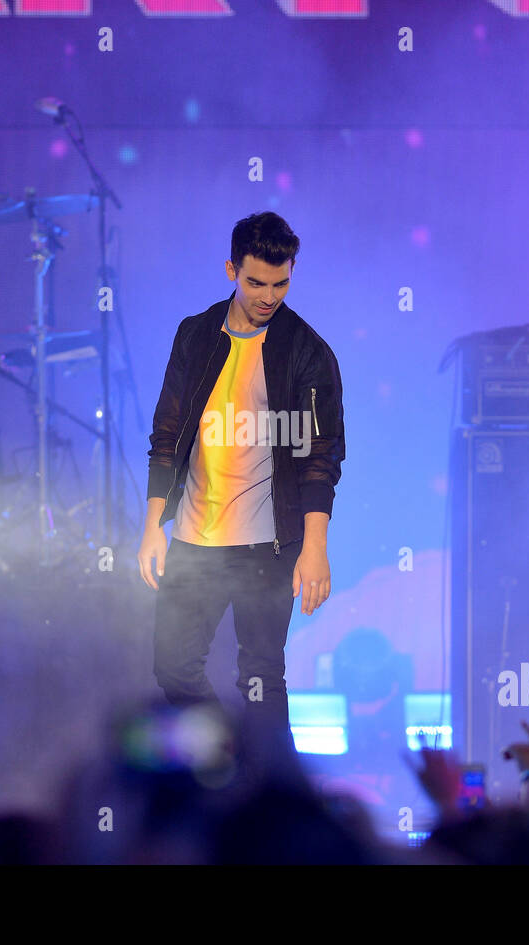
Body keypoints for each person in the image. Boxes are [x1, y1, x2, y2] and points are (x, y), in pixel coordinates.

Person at [137, 211, 346, 748]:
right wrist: (152, 524)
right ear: (231, 269)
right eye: (256, 282)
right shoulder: (195, 335)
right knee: (174, 669)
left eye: (280, 283)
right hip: (191, 535)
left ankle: (279, 804)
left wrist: (315, 547)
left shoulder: (307, 351)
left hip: (267, 546)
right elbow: (166, 433)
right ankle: (232, 763)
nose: (268, 296)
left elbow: (319, 455)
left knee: (260, 679)